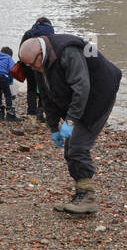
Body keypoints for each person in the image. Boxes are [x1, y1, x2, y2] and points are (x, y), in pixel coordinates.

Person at [16, 31, 121, 216]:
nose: (32, 68)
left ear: (41, 53)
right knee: (69, 148)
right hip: (79, 97)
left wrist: (70, 121)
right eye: (28, 65)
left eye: (34, 63)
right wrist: (53, 126)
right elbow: (47, 97)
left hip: (99, 95)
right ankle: (80, 194)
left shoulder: (67, 52)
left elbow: (82, 89)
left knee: (78, 147)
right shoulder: (39, 65)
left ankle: (88, 198)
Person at [13, 16, 53, 120]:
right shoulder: (51, 33)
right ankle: (40, 112)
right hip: (44, 66)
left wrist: (24, 63)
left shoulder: (29, 33)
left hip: (30, 65)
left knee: (31, 88)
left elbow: (21, 51)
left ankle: (31, 114)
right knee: (44, 88)